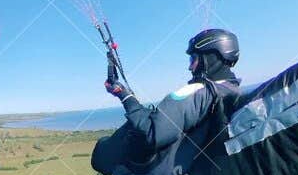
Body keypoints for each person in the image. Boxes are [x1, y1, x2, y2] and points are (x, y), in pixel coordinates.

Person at [103, 27, 243, 161]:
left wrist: (124, 96)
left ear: (211, 58)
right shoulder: (233, 90)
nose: (190, 67)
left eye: (193, 58)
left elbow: (152, 132)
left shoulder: (196, 91)